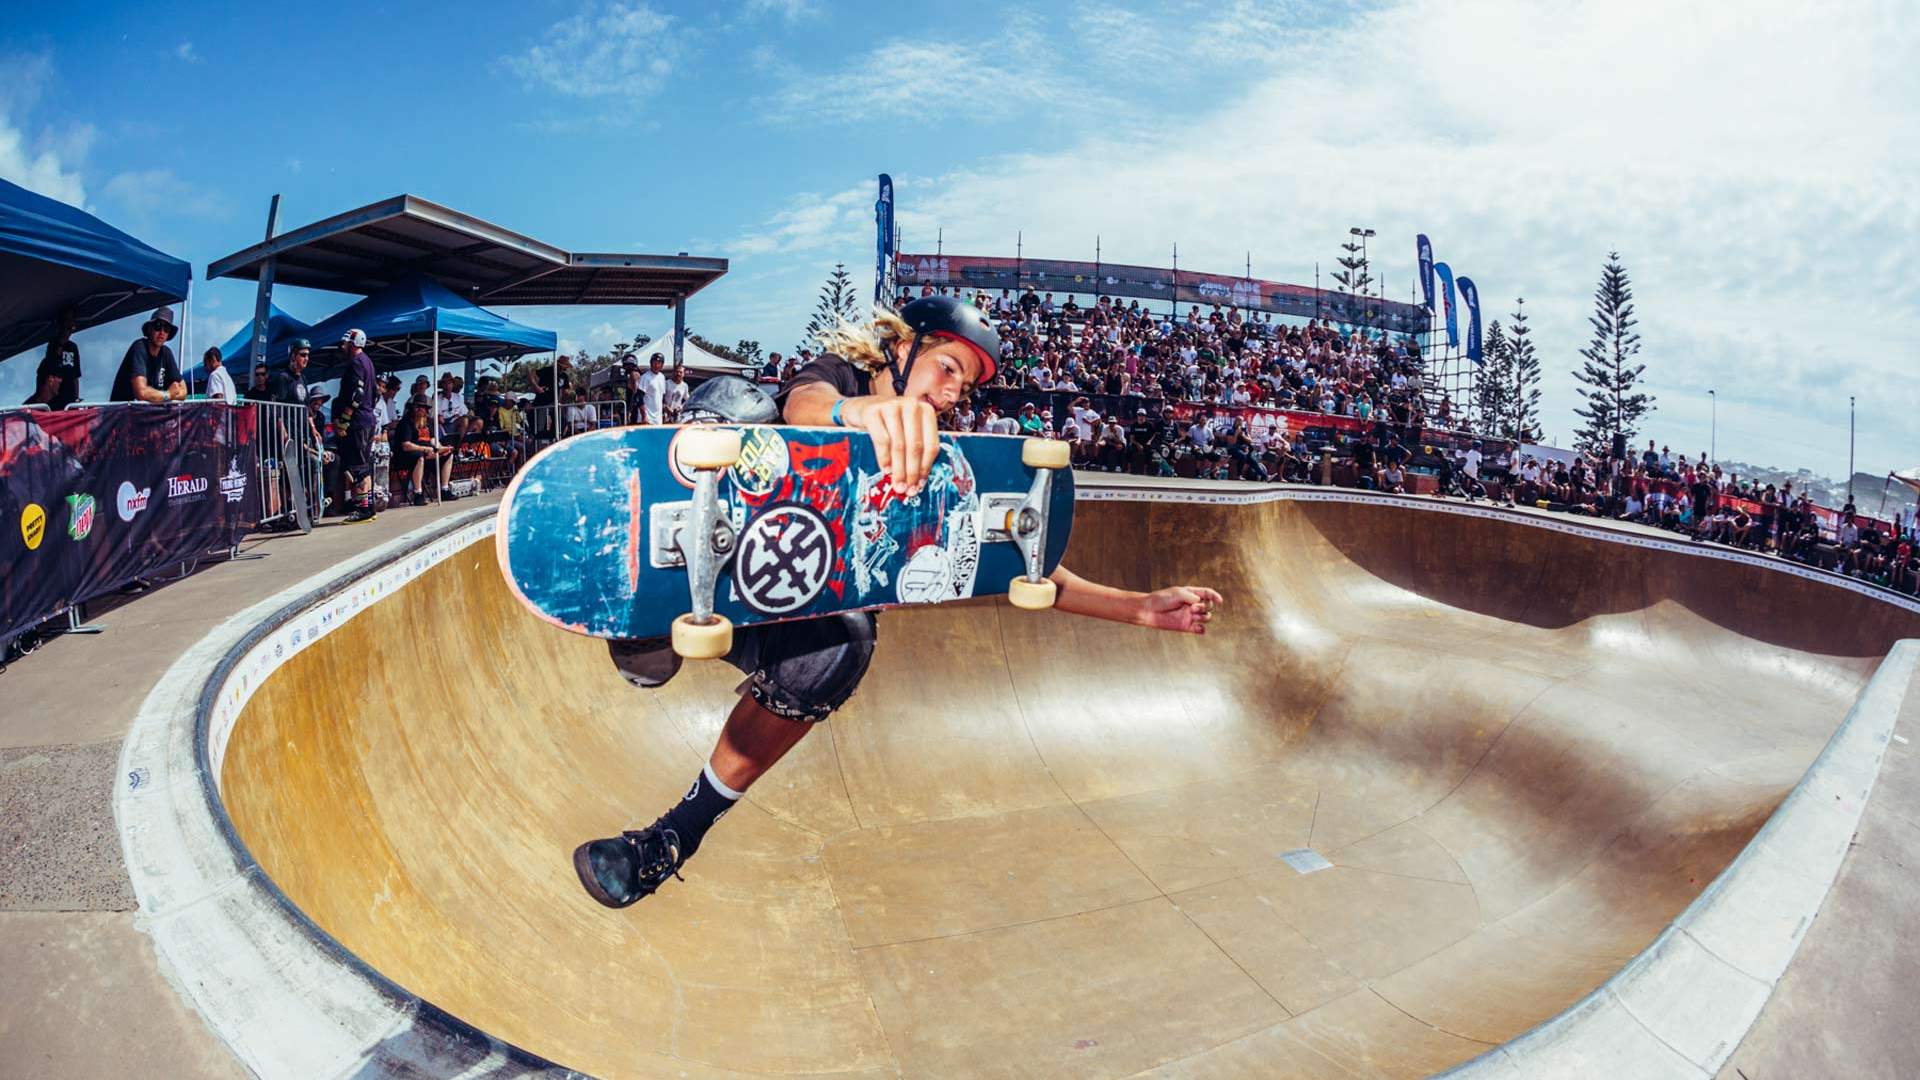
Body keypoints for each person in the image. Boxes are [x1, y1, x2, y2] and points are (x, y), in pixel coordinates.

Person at [573, 296, 1222, 908]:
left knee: (849, 644)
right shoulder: (845, 379)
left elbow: (1007, 558)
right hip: (721, 572)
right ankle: (653, 605)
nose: (949, 395)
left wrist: (1136, 607)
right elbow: (806, 400)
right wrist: (852, 416)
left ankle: (675, 835)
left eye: (962, 389)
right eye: (946, 369)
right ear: (900, 349)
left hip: (780, 626)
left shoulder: (931, 463)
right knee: (738, 404)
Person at [335, 329, 381, 523]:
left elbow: (357, 394)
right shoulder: (368, 362)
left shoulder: (355, 363)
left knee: (358, 465)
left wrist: (344, 420)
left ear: (353, 344)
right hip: (367, 419)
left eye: (345, 343)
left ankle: (363, 510)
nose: (342, 347)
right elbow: (376, 392)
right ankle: (367, 506)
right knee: (363, 463)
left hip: (358, 421)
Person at [110, 306, 186, 403]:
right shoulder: (139, 347)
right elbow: (141, 393)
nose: (162, 332)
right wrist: (169, 394)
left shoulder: (166, 353)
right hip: (122, 414)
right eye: (158, 326)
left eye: (166, 329)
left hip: (146, 415)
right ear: (150, 329)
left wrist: (156, 395)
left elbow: (184, 391)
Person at [389, 395, 455, 505]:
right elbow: (406, 445)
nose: (421, 410)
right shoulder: (406, 423)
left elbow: (433, 440)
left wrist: (441, 448)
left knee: (449, 454)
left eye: (423, 408)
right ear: (413, 408)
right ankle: (418, 494)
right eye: (418, 407)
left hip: (428, 453)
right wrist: (425, 449)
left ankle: (444, 489)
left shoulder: (428, 422)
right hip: (407, 456)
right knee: (419, 456)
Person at [37, 308, 81, 408]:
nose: (70, 328)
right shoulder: (53, 344)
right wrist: (61, 342)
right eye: (67, 322)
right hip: (55, 400)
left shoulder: (73, 347)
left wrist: (76, 400)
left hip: (70, 400)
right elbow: (50, 368)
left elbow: (76, 376)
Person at [638, 353, 669, 424]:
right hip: (647, 418)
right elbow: (639, 397)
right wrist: (644, 415)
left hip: (658, 419)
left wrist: (665, 412)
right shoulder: (645, 377)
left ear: (662, 365)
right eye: (654, 363)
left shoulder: (662, 377)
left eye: (659, 363)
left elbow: (661, 398)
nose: (656, 365)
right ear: (651, 363)